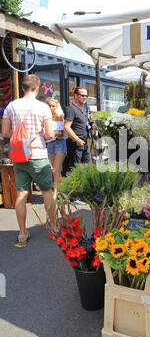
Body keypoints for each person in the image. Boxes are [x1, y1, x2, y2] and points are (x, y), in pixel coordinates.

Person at [2, 74, 56, 247]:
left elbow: (5, 133)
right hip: (38, 155)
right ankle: (54, 227)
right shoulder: (43, 108)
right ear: (37, 88)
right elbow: (48, 134)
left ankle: (23, 233)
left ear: (23, 88)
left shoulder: (11, 106)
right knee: (47, 191)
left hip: (18, 155)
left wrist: (19, 137)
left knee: (22, 194)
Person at [64, 87, 92, 169]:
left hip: (84, 144)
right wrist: (77, 140)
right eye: (82, 95)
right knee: (77, 171)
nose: (85, 98)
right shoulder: (71, 109)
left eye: (86, 96)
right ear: (76, 96)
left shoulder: (83, 110)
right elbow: (66, 127)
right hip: (75, 145)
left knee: (88, 170)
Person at [45, 98, 67, 199]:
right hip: (49, 144)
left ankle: (55, 193)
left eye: (53, 106)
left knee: (55, 170)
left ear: (56, 106)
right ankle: (64, 191)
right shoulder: (46, 117)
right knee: (55, 171)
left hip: (59, 143)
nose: (51, 108)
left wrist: (50, 134)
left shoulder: (59, 115)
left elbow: (61, 133)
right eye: (49, 105)